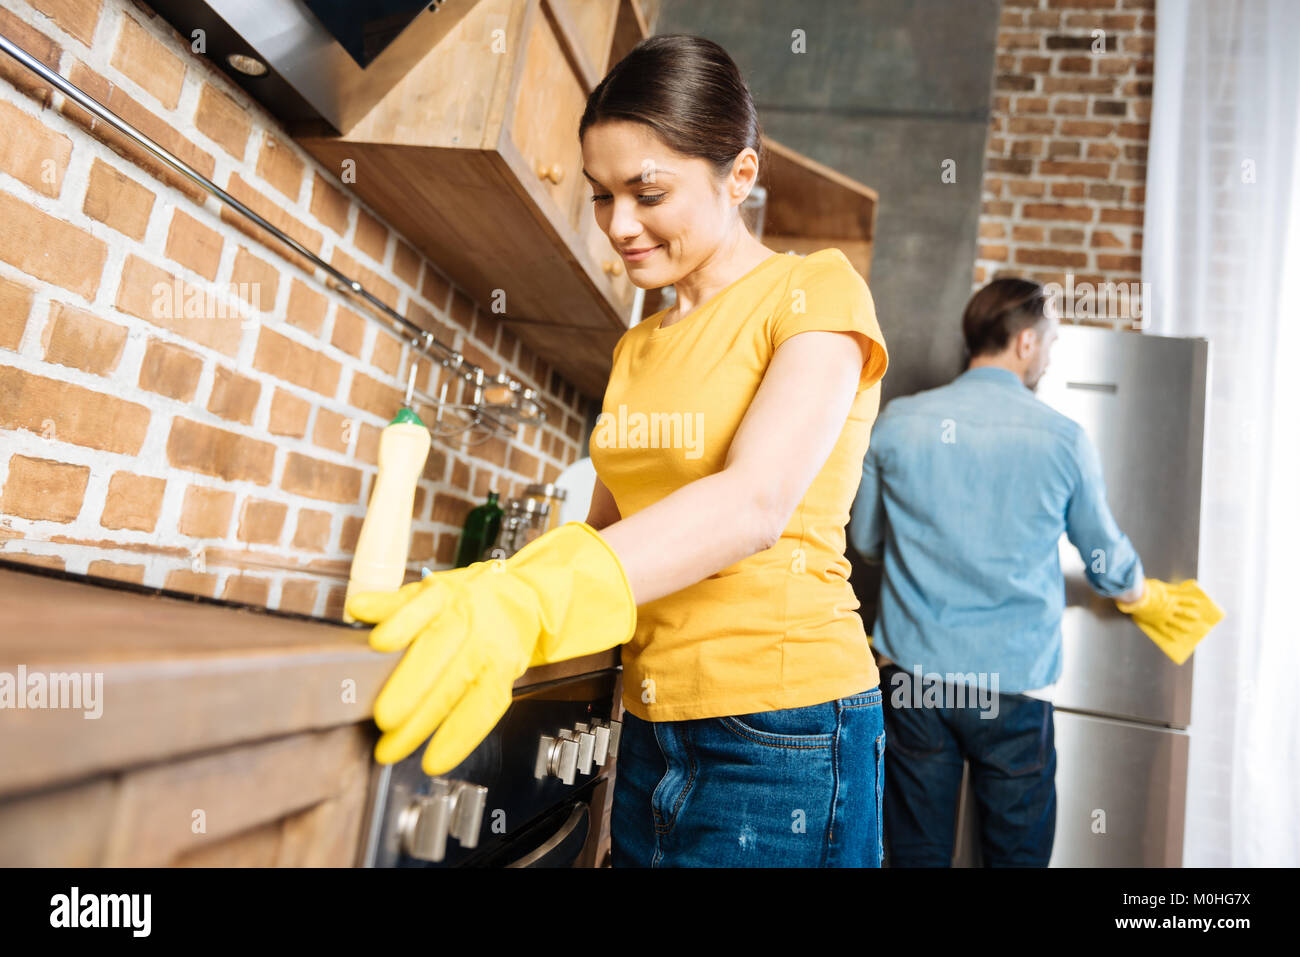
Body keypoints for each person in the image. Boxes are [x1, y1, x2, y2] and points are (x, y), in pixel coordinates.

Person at [346, 34, 891, 867]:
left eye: (648, 191)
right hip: (648, 722)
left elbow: (755, 503)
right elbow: (604, 536)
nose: (619, 225)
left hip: (785, 730)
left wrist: (533, 603)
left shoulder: (813, 290)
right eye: (602, 196)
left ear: (738, 176)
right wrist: (497, 588)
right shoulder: (639, 345)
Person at [847, 278, 1207, 867]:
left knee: (915, 853)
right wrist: (1149, 598)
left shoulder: (900, 422)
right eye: (1050, 343)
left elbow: (865, 540)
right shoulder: (1062, 440)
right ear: (1025, 344)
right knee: (1015, 856)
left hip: (914, 682)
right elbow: (1105, 561)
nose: (1048, 356)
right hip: (1012, 691)